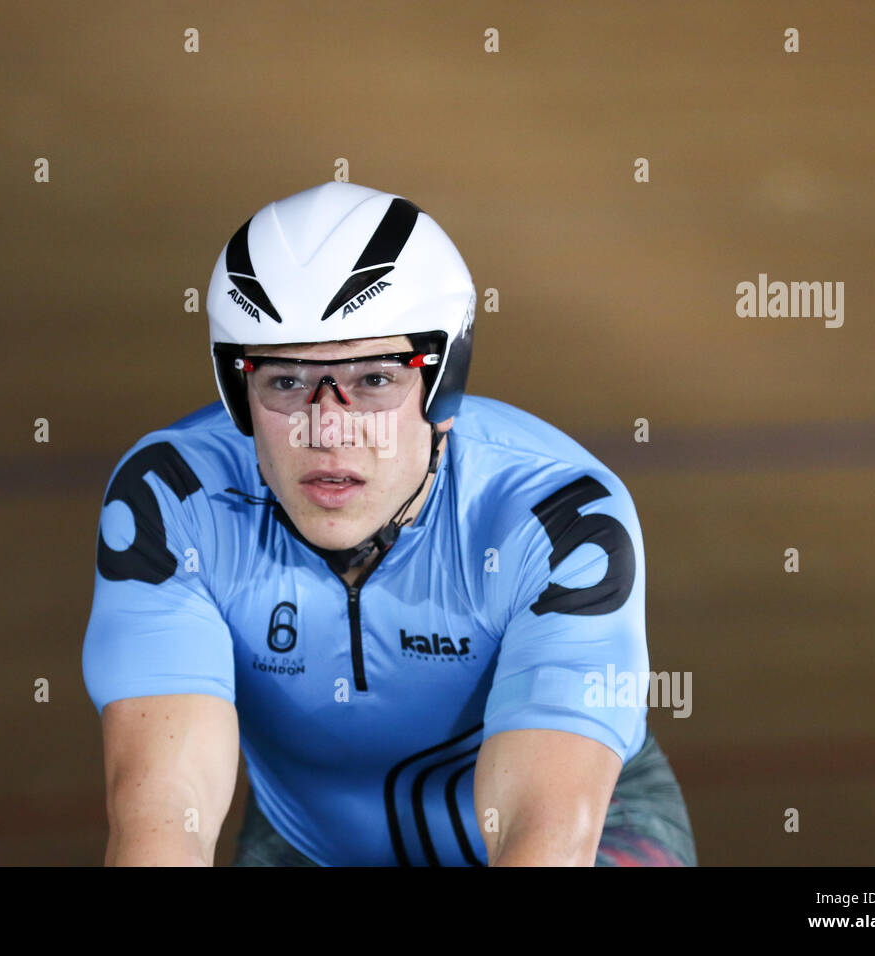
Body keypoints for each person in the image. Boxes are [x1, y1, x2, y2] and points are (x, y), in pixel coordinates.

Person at [82, 180, 696, 866]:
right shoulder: (173, 501)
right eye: (284, 381)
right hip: (307, 844)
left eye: (375, 379)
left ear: (444, 385)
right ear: (238, 395)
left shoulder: (556, 515)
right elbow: (161, 817)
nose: (328, 428)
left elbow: (543, 840)